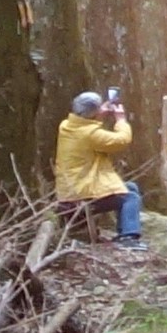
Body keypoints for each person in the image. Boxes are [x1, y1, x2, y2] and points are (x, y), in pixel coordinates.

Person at [53, 89, 140, 247]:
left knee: (130, 187)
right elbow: (122, 140)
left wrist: (98, 114)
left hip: (72, 189)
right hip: (82, 194)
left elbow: (87, 126)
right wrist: (120, 120)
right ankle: (129, 238)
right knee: (130, 198)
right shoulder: (91, 134)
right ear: (93, 112)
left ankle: (123, 233)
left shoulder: (66, 126)